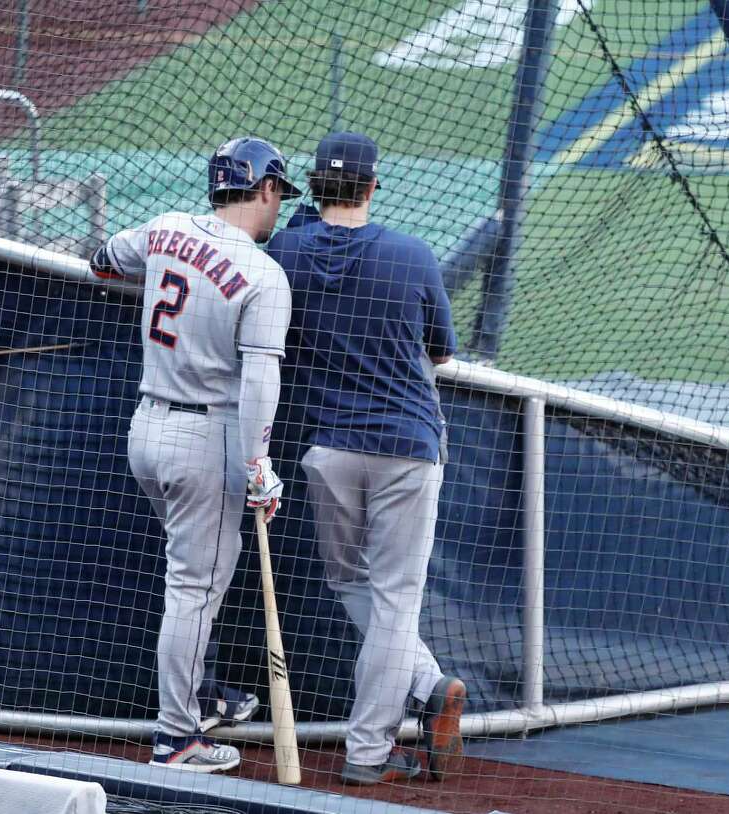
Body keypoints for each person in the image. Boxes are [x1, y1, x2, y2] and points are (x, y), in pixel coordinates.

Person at [90, 136, 298, 772]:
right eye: (278, 196)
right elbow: (262, 381)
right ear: (263, 189)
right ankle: (176, 736)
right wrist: (259, 465)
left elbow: (101, 262)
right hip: (206, 442)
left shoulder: (166, 227)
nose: (279, 209)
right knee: (194, 587)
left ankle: (195, 690)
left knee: (191, 575)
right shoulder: (264, 276)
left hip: (146, 430)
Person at [266, 131, 465, 786]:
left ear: (315, 186)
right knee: (396, 599)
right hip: (407, 447)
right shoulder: (411, 254)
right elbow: (441, 353)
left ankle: (431, 684)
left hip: (328, 453)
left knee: (354, 584)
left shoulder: (286, 251)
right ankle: (369, 753)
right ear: (373, 186)